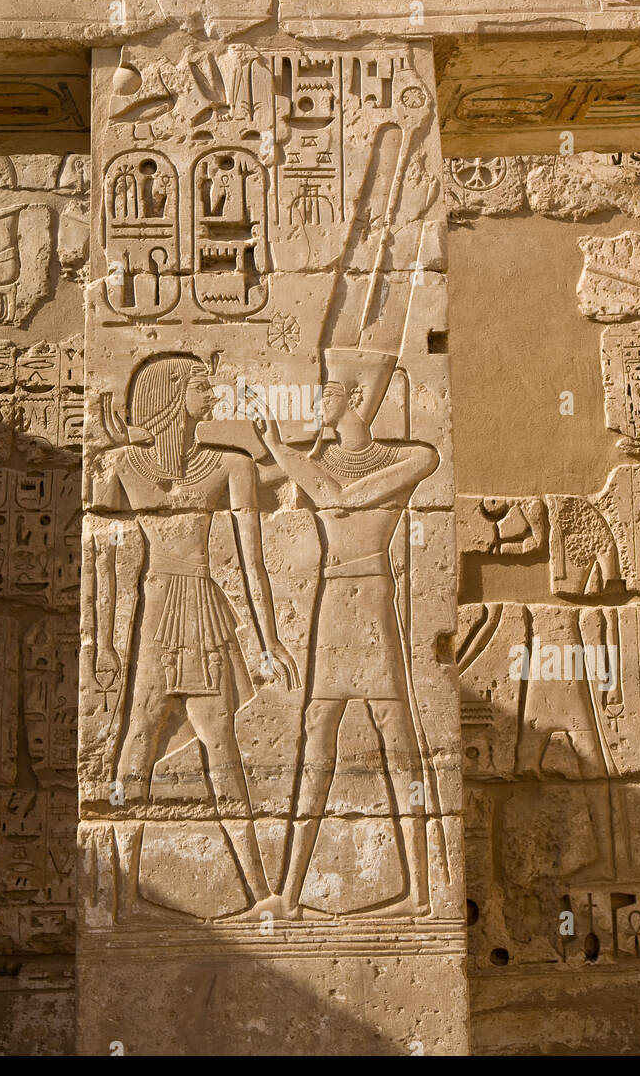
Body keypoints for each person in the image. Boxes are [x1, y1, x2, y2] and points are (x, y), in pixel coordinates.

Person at [94, 353, 300, 916]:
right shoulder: (122, 465)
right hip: (154, 614)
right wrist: (107, 642)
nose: (212, 397)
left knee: (220, 743)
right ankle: (118, 892)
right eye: (201, 388)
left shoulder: (229, 465)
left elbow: (252, 561)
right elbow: (104, 559)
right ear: (169, 395)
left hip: (203, 609)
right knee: (136, 740)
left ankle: (259, 893)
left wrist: (269, 639)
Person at [253, 349, 438, 917]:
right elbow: (256, 479)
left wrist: (284, 450)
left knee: (396, 738)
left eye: (329, 390)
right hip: (333, 602)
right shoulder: (317, 457)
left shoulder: (411, 456)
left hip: (373, 599)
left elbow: (341, 496)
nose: (319, 400)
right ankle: (288, 895)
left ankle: (422, 893)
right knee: (316, 734)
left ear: (356, 397)